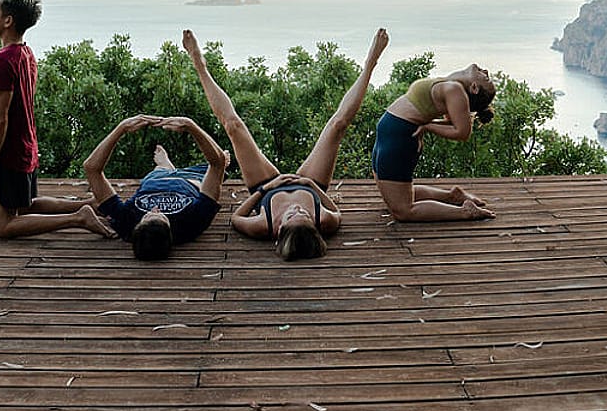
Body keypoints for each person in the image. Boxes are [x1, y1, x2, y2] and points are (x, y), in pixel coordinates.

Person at [183, 27, 389, 261]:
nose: (298, 210)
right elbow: (336, 213)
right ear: (314, 223)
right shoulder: (324, 222)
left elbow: (237, 218)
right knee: (338, 125)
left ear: (279, 229)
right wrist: (311, 186)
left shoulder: (264, 226)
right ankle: (371, 63)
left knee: (233, 126)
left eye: (293, 215)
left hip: (267, 185)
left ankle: (199, 64)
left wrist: (265, 189)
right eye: (305, 214)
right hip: (309, 184)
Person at [0, 0, 115, 239]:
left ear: (8, 20)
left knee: (3, 226)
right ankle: (93, 205)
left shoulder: (2, 61)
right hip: (24, 146)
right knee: (25, 204)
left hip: (6, 153)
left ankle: (78, 217)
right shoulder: (26, 54)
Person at [83, 114, 230, 260]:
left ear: (136, 228)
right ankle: (168, 166)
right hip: (192, 179)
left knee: (160, 170)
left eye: (146, 215)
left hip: (155, 178)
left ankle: (165, 165)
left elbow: (91, 168)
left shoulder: (126, 224)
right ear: (171, 232)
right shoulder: (191, 225)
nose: (155, 209)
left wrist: (121, 128)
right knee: (222, 161)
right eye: (161, 215)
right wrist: (190, 126)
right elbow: (217, 163)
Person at [372, 63, 498, 222]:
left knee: (403, 211)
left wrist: (429, 126)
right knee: (392, 196)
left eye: (487, 79)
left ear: (474, 88)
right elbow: (455, 121)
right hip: (388, 136)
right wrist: (428, 125)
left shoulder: (455, 90)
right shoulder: (451, 85)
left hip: (400, 138)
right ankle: (452, 196)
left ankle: (465, 212)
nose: (486, 71)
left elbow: (462, 132)